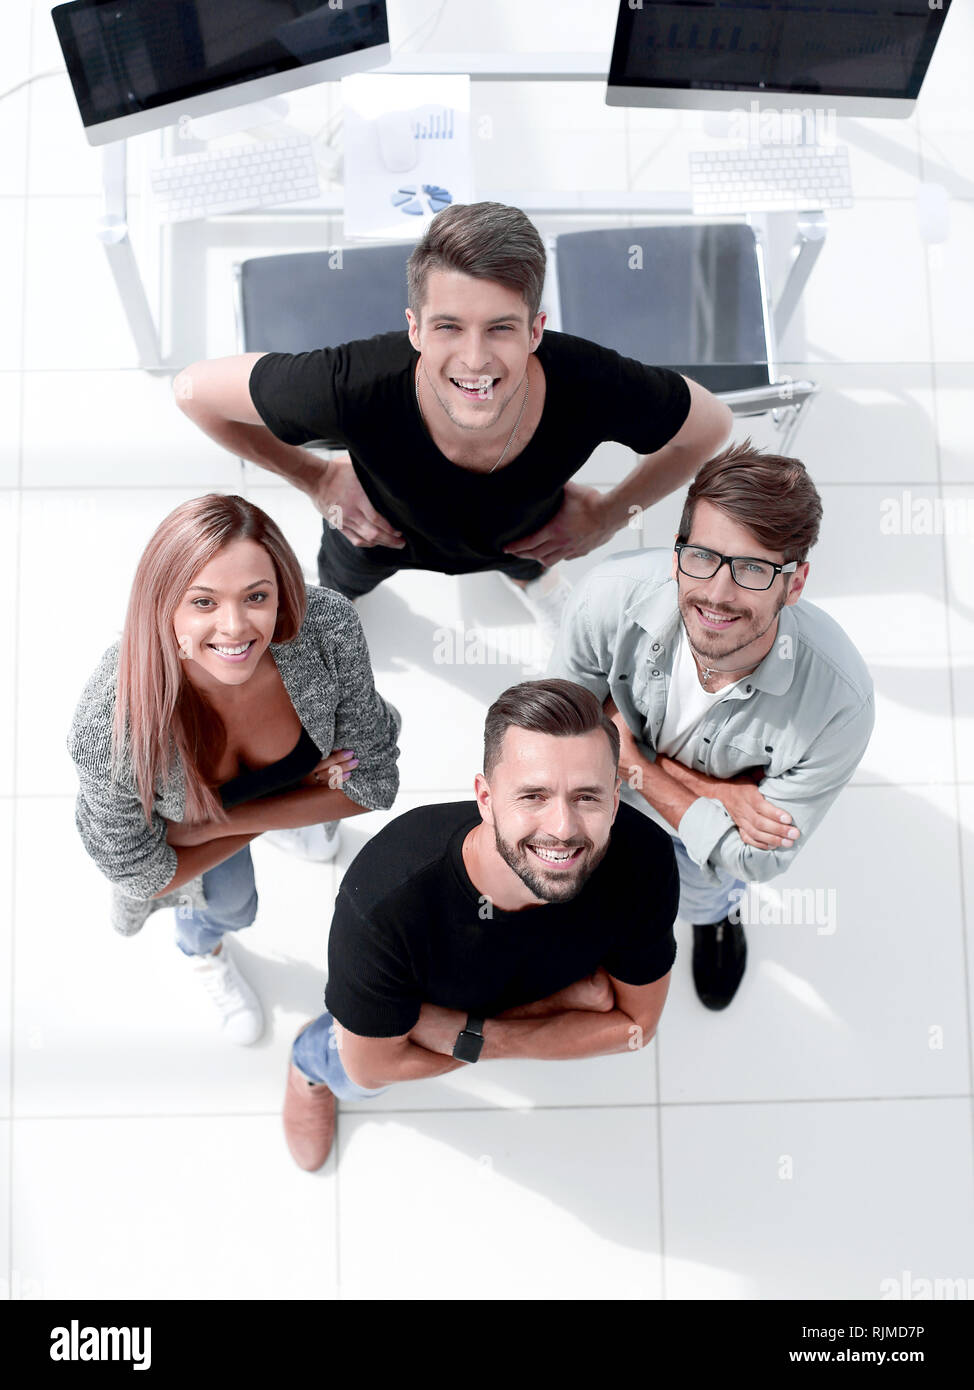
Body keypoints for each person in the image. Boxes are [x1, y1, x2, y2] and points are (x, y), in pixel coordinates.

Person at [172, 201, 732, 648]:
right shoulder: (348, 385)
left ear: (536, 331)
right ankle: (339, 615)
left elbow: (710, 428)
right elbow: (193, 392)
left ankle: (535, 585)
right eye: (448, 327)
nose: (474, 359)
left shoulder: (592, 382)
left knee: (531, 562)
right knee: (339, 589)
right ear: (414, 329)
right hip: (376, 534)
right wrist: (314, 477)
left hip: (522, 533)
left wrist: (610, 516)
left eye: (500, 329)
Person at [280, 678, 679, 1172]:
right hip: (413, 1011)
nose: (562, 828)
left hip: (455, 1016)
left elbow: (636, 1029)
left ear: (615, 802)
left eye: (587, 797)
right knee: (346, 1069)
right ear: (485, 798)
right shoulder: (385, 904)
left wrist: (474, 1037)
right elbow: (374, 1065)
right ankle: (306, 1064)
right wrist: (566, 1008)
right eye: (532, 796)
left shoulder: (645, 862)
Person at [547, 440, 875, 1010]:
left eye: (752, 569)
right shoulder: (608, 597)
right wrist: (714, 791)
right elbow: (561, 731)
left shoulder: (838, 704)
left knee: (707, 888)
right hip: (617, 800)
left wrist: (633, 763)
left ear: (794, 584)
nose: (717, 596)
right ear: (677, 553)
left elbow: (758, 858)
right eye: (702, 557)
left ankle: (713, 918)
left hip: (692, 840)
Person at [67, 494, 401, 1044]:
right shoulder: (111, 722)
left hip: (208, 827)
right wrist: (302, 794)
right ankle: (202, 951)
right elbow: (139, 872)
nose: (235, 627)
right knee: (232, 906)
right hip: (263, 809)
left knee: (326, 811)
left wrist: (216, 824)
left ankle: (292, 823)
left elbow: (375, 783)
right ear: (163, 605)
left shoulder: (326, 627)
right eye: (203, 602)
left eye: (256, 597)